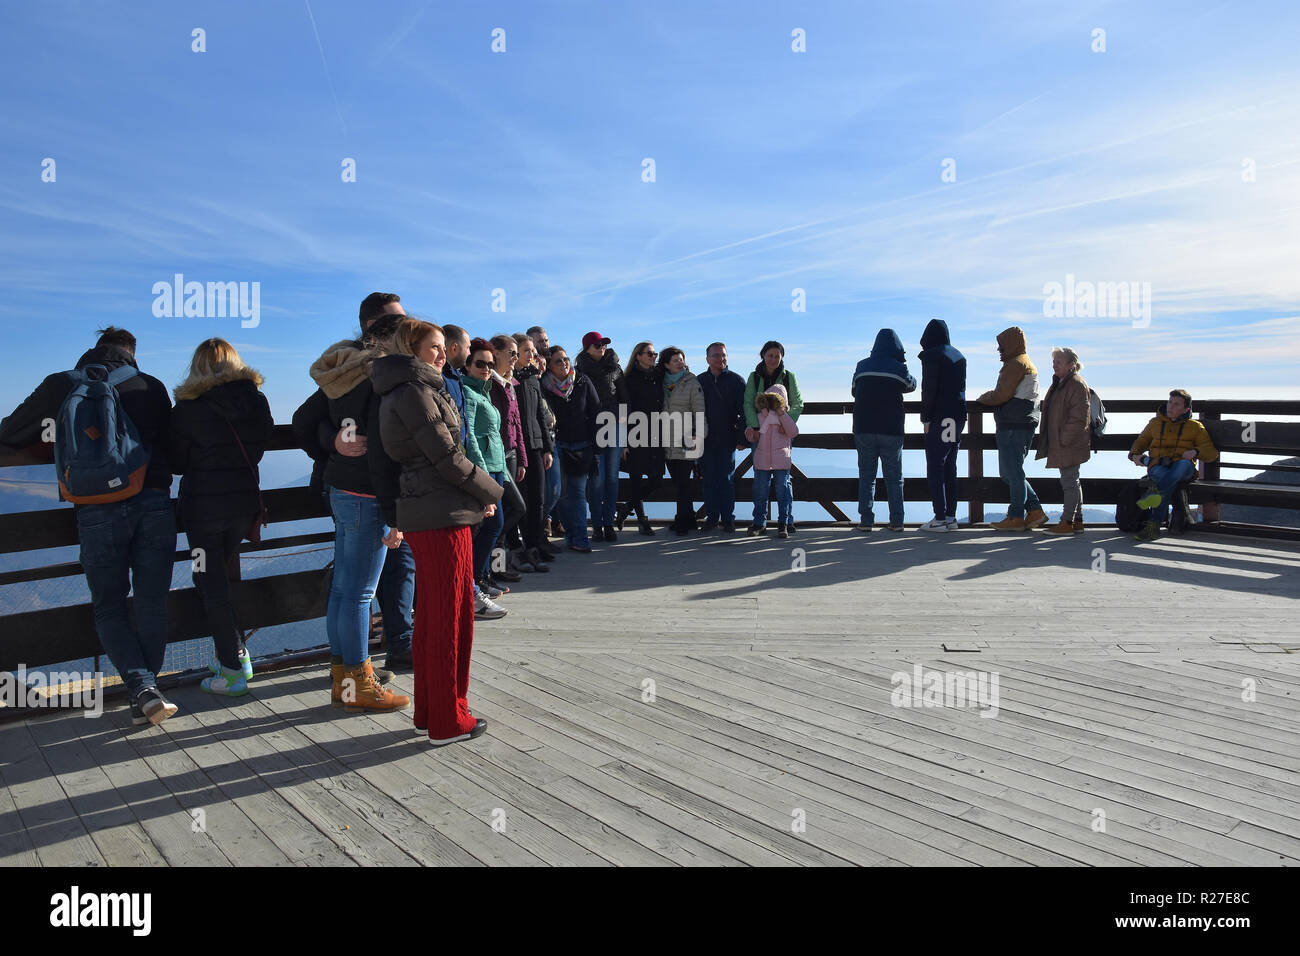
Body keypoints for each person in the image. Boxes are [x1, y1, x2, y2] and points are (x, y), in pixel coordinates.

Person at [0, 327, 178, 724]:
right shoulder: (151, 387)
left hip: (96, 509)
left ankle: (142, 688)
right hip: (153, 503)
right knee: (152, 602)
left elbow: (10, 432)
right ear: (132, 353)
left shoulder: (61, 384)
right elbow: (175, 447)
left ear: (94, 350)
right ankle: (147, 689)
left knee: (109, 606)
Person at [373, 318, 498, 746]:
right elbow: (446, 455)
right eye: (433, 347)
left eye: (444, 347)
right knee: (451, 617)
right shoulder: (414, 392)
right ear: (411, 349)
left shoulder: (410, 388)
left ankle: (431, 711)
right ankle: (449, 720)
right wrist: (490, 490)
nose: (442, 354)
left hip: (435, 509)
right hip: (441, 512)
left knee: (433, 616)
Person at [307, 320, 410, 710]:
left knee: (343, 590)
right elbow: (384, 451)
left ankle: (342, 678)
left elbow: (307, 421)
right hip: (369, 494)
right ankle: (359, 682)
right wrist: (394, 511)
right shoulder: (379, 378)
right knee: (360, 593)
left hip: (341, 489)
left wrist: (333, 442)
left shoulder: (343, 375)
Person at [171, 338, 274, 696]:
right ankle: (236, 656)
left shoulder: (187, 409)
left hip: (203, 511)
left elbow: (176, 462)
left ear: (198, 366)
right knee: (218, 581)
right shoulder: (256, 401)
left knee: (209, 584)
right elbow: (261, 447)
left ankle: (232, 670)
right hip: (243, 505)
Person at [463, 338, 522, 596]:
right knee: (491, 525)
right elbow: (470, 437)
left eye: (489, 364)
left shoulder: (484, 390)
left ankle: (483, 577)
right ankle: (475, 581)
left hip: (499, 465)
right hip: (485, 468)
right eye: (480, 363)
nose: (486, 368)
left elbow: (497, 433)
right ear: (467, 365)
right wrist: (483, 471)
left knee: (493, 525)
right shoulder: (468, 392)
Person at [976, 327, 1048, 531]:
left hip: (1013, 424)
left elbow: (1001, 394)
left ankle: (1016, 516)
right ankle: (1035, 511)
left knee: (1012, 472)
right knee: (1011, 472)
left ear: (1011, 344)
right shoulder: (1025, 362)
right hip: (1023, 423)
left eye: (1001, 345)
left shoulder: (1016, 364)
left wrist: (983, 398)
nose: (999, 350)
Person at [1129, 389, 1218, 542]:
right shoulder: (1155, 423)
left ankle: (1153, 515)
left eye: (1176, 404)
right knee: (1163, 475)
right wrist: (1135, 455)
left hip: (1183, 468)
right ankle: (1154, 518)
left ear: (1186, 409)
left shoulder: (1195, 427)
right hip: (1158, 466)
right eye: (1170, 402)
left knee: (1182, 465)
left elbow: (1211, 453)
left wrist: (1196, 452)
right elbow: (1139, 444)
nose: (1171, 406)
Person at [851, 329, 917, 532]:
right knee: (894, 478)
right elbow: (912, 385)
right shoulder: (898, 368)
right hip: (891, 429)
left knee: (866, 476)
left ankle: (866, 521)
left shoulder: (861, 366)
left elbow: (854, 390)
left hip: (864, 427)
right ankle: (897, 521)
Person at [541, 345, 601, 552]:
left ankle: (579, 538)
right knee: (558, 491)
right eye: (558, 360)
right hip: (556, 444)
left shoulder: (582, 381)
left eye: (566, 359)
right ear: (549, 365)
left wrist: (596, 446)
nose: (564, 363)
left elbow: (596, 412)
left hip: (582, 444)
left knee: (577, 493)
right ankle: (556, 532)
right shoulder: (543, 385)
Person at [743, 342, 804, 532]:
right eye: (770, 355)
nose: (774, 359)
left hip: (781, 434)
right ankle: (759, 521)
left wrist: (784, 422)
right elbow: (747, 403)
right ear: (763, 355)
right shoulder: (754, 377)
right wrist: (755, 426)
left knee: (783, 480)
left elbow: (798, 403)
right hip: (760, 433)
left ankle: (786, 520)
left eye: (777, 356)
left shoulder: (788, 377)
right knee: (761, 480)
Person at [574, 331, 627, 542]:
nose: (601, 348)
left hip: (614, 428)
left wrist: (625, 432)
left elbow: (625, 400)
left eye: (603, 344)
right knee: (597, 479)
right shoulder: (578, 372)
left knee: (612, 479)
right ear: (587, 348)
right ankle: (596, 525)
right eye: (597, 345)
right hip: (592, 430)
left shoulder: (615, 369)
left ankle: (608, 524)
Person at [510, 334, 556, 566]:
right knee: (523, 501)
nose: (532, 356)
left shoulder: (533, 379)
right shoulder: (510, 380)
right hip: (518, 448)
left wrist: (548, 447)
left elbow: (540, 414)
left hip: (537, 445)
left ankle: (537, 543)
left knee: (539, 498)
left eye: (533, 351)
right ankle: (524, 547)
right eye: (527, 351)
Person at [1035, 348, 1091, 536]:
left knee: (1069, 481)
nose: (1054, 364)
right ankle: (1077, 521)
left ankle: (1066, 522)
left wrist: (1063, 439)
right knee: (1072, 481)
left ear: (1071, 365)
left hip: (1069, 443)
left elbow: (1079, 418)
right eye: (1054, 361)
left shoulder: (1075, 384)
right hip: (1064, 442)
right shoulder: (1062, 382)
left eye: (1059, 361)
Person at [917, 319, 966, 532]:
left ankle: (939, 517)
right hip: (957, 416)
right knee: (949, 466)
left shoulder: (932, 356)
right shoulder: (958, 356)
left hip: (941, 418)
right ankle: (950, 517)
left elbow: (929, 390)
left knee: (935, 465)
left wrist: (926, 419)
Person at [697, 342, 748, 534]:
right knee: (708, 479)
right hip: (705, 438)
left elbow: (744, 412)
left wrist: (742, 438)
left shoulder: (736, 381)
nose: (721, 359)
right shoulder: (700, 381)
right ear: (708, 359)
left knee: (726, 479)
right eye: (716, 355)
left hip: (727, 437)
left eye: (724, 355)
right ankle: (711, 518)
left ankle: (728, 519)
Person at [617, 341, 664, 535]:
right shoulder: (628, 379)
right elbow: (623, 409)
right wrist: (624, 441)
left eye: (655, 354)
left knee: (657, 478)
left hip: (657, 431)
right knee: (636, 479)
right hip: (635, 432)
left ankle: (625, 508)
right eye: (650, 354)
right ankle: (643, 521)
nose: (654, 357)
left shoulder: (660, 376)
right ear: (638, 356)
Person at [659, 347, 706, 535]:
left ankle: (682, 522)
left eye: (681, 359)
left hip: (688, 437)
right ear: (666, 364)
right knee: (678, 482)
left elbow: (700, 411)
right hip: (666, 438)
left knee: (683, 482)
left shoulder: (692, 382)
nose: (680, 362)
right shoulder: (660, 383)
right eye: (675, 360)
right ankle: (690, 519)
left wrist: (699, 435)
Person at [747, 383, 799, 538]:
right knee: (760, 491)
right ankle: (759, 522)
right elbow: (750, 432)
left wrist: (782, 413)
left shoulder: (784, 418)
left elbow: (793, 432)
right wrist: (751, 434)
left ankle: (783, 523)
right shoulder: (760, 416)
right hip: (763, 459)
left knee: (782, 490)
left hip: (781, 460)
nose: (772, 404)